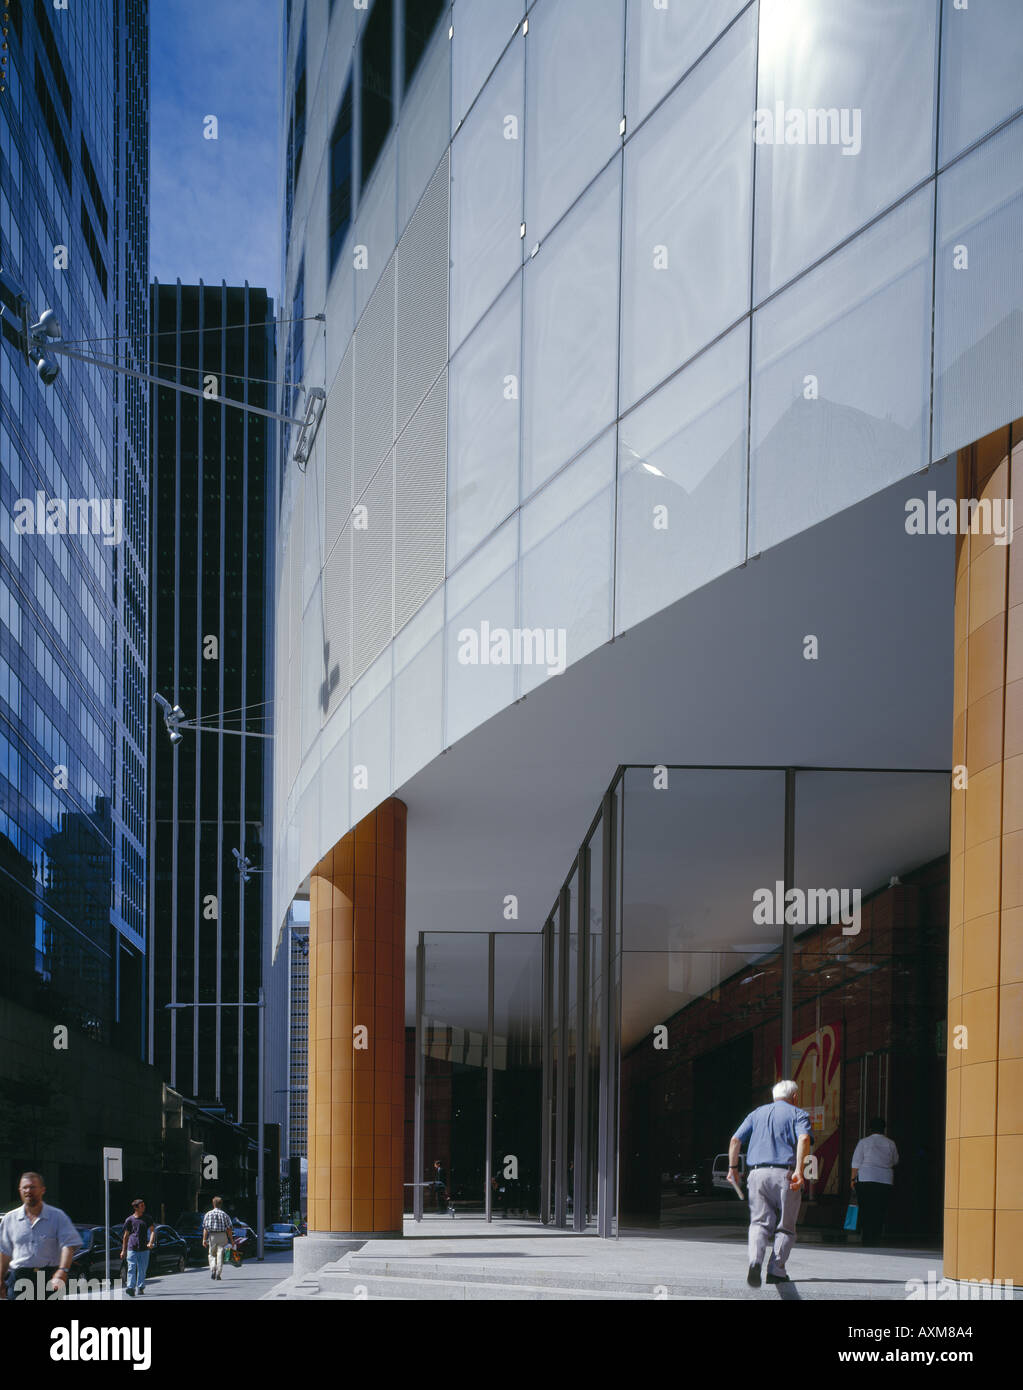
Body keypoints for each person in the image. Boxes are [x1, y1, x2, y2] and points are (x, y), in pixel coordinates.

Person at [728, 1080, 813, 1287]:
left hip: (757, 1174)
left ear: (774, 1096)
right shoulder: (798, 1114)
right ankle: (776, 1270)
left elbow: (735, 1141)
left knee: (759, 1222)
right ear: (795, 1097)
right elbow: (803, 1139)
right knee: (785, 1226)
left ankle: (755, 1261)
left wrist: (733, 1169)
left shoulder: (756, 1114)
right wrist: (800, 1172)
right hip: (785, 1174)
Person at [0, 1172, 82, 1300]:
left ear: (42, 1190)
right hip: (18, 1280)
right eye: (25, 1187)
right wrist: (0, 1279)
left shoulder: (57, 1217)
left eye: (32, 1187)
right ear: (20, 1190)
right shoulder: (9, 1219)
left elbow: (68, 1244)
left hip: (49, 1279)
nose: (28, 1190)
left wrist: (63, 1270)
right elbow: (4, 1252)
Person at [851, 1117, 899, 1245]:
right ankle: (876, 1236)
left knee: (866, 1209)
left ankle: (866, 1237)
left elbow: (856, 1163)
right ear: (884, 1129)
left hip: (866, 1179)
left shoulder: (863, 1142)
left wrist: (852, 1179)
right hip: (885, 1180)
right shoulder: (890, 1143)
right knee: (880, 1209)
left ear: (870, 1129)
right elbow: (895, 1161)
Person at [119, 1198, 155, 1297]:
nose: (144, 1207)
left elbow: (152, 1231)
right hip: (132, 1247)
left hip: (144, 1248)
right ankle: (130, 1288)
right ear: (136, 1208)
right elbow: (126, 1236)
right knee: (131, 1268)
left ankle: (140, 1287)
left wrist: (151, 1242)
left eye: (144, 1205)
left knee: (142, 1269)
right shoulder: (129, 1220)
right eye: (142, 1205)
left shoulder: (147, 1218)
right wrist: (123, 1250)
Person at [200, 1196, 237, 1281]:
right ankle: (218, 1273)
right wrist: (232, 1241)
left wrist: (204, 1240)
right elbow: (229, 1229)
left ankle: (213, 1269)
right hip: (222, 1235)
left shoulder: (208, 1214)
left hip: (212, 1236)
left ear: (213, 1204)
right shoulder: (225, 1215)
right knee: (220, 1254)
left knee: (211, 1254)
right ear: (221, 1204)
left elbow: (205, 1228)